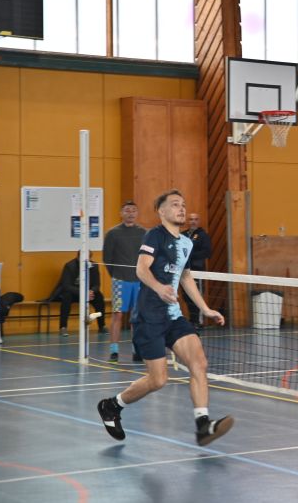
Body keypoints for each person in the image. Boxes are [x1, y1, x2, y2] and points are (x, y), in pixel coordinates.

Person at [97, 189, 232, 446]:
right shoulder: (154, 236)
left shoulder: (187, 243)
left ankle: (203, 425)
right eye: (174, 205)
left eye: (183, 204)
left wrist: (204, 308)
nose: (181, 209)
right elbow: (141, 268)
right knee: (158, 380)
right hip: (149, 317)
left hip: (173, 317)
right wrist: (159, 288)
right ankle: (112, 406)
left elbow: (185, 277)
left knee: (199, 363)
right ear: (161, 211)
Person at [103, 201, 147, 363]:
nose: (130, 213)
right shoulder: (113, 233)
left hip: (139, 281)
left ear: (137, 213)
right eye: (127, 210)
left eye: (134, 210)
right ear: (122, 213)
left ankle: (137, 349)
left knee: (136, 317)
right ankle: (114, 351)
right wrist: (117, 275)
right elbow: (107, 258)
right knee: (118, 314)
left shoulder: (144, 233)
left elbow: (147, 257)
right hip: (120, 281)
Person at [56, 251, 106, 337]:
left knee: (99, 297)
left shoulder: (94, 266)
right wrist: (83, 292)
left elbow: (97, 284)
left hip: (88, 293)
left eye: (87, 259)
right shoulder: (69, 266)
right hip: (74, 293)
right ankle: (63, 327)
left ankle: (102, 326)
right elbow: (66, 285)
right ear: (78, 257)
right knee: (66, 297)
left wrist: (91, 291)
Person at [182, 212, 212, 328]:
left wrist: (190, 255)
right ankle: (192, 320)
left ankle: (198, 322)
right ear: (187, 221)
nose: (193, 221)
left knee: (196, 295)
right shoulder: (183, 235)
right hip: (184, 271)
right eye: (191, 219)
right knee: (186, 296)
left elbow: (207, 252)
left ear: (198, 221)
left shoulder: (203, 235)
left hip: (197, 271)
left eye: (195, 219)